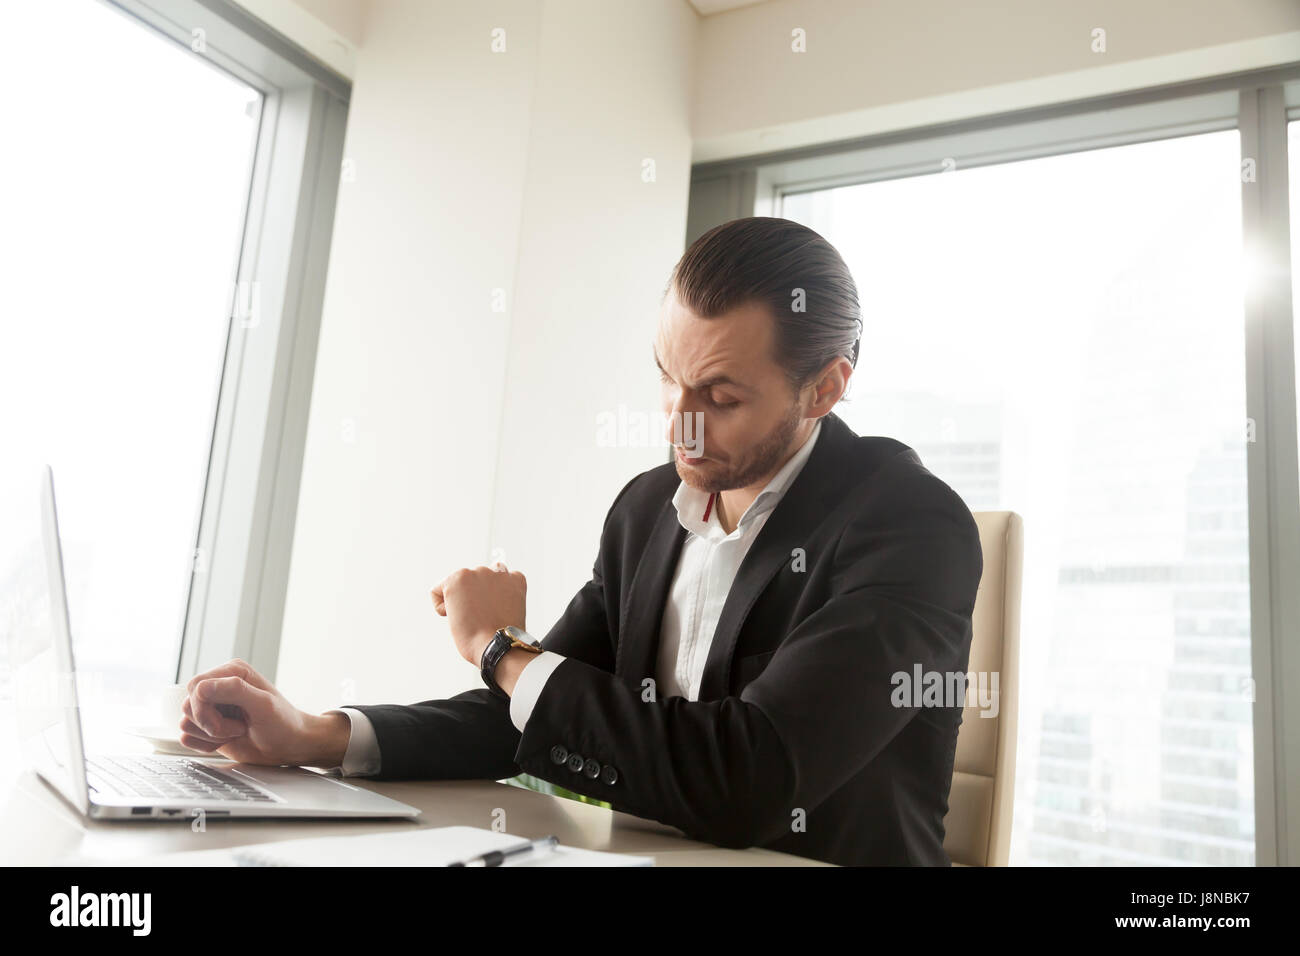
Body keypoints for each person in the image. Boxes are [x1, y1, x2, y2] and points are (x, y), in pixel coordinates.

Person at [179, 216, 983, 866]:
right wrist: (317, 734)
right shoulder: (645, 511)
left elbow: (750, 779)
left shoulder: (911, 526)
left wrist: (500, 647)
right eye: (667, 376)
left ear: (826, 387)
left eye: (721, 395)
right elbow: (532, 715)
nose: (678, 423)